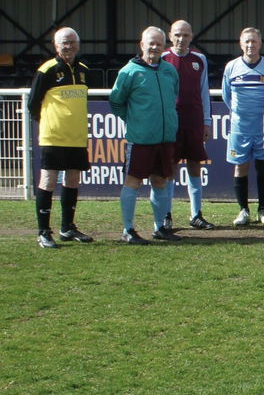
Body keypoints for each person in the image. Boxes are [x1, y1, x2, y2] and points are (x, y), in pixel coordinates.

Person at [110, 27, 181, 244]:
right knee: (133, 181)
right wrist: (136, 121)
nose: (155, 47)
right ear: (142, 45)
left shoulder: (169, 71)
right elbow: (116, 102)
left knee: (160, 181)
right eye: (151, 43)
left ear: (164, 46)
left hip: (165, 138)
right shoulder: (128, 72)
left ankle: (159, 227)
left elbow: (173, 96)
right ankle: (128, 229)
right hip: (140, 139)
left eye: (159, 43)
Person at [29, 27, 93, 248]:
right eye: (64, 42)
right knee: (48, 181)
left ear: (78, 44)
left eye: (72, 42)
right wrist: (51, 123)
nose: (68, 46)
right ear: (56, 46)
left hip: (77, 137)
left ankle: (67, 227)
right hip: (53, 137)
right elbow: (32, 104)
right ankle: (44, 231)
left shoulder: (84, 70)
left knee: (73, 180)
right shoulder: (46, 70)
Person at [222, 27, 264, 226]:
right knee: (240, 167)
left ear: (260, 43)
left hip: (263, 129)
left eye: (254, 41)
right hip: (240, 128)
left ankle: (263, 209)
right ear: (240, 43)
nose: (250, 45)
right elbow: (227, 96)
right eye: (246, 41)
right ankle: (243, 210)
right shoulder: (231, 67)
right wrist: (241, 114)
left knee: (263, 168)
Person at [161, 19, 215, 230]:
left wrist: (206, 122)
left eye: (185, 35)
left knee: (194, 165)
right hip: (171, 121)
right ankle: (166, 214)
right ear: (170, 35)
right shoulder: (164, 58)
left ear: (191, 36)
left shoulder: (199, 59)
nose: (181, 39)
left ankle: (196, 214)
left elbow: (204, 92)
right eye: (177, 35)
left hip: (193, 120)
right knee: (170, 167)